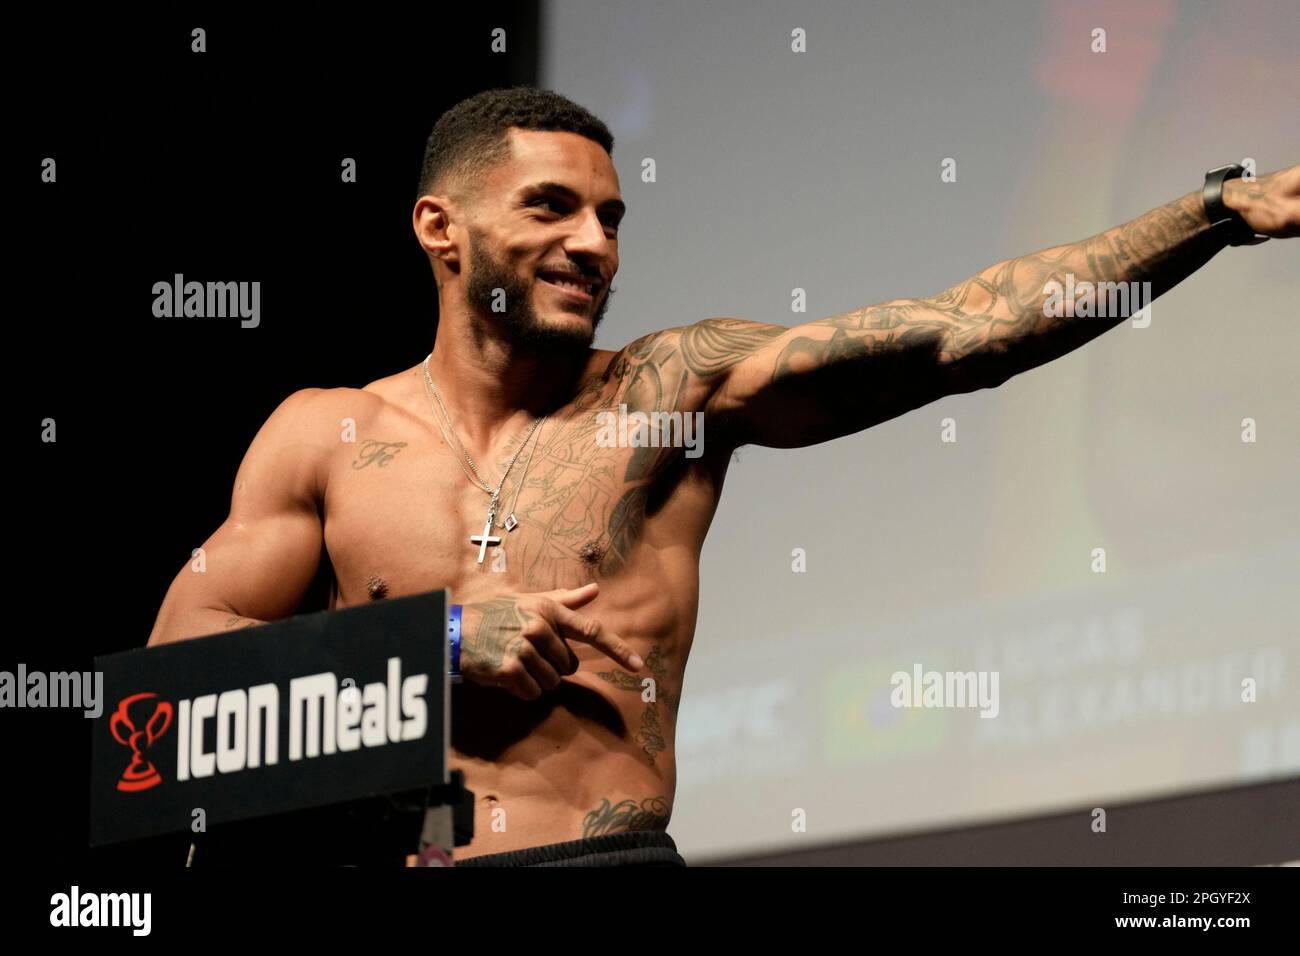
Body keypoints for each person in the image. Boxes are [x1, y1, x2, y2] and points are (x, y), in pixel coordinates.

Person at [147, 86, 1299, 866]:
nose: (596, 242)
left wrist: (1210, 214)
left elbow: (963, 333)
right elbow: (162, 709)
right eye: (552, 206)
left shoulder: (672, 391)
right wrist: (434, 644)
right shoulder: (323, 433)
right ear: (439, 230)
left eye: (610, 215)